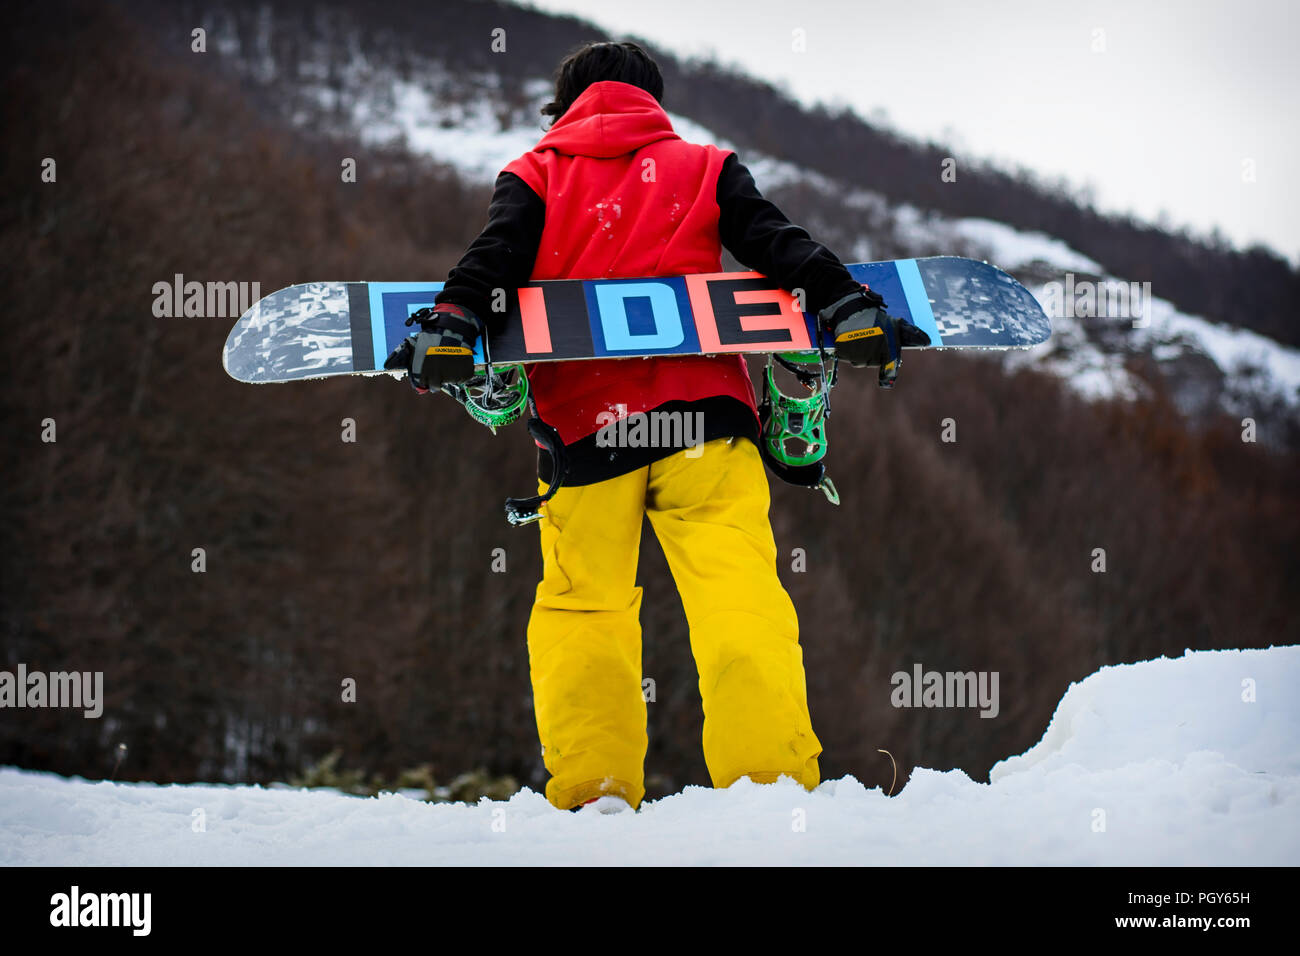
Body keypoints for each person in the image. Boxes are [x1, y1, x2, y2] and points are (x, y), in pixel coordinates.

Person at [387, 41, 919, 811]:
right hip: (705, 421)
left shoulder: (535, 172)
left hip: (584, 431)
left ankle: (596, 794)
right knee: (739, 595)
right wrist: (843, 301)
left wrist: (453, 319)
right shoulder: (704, 167)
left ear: (563, 105)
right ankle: (769, 788)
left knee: (584, 610)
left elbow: (494, 257)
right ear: (653, 101)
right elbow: (777, 244)